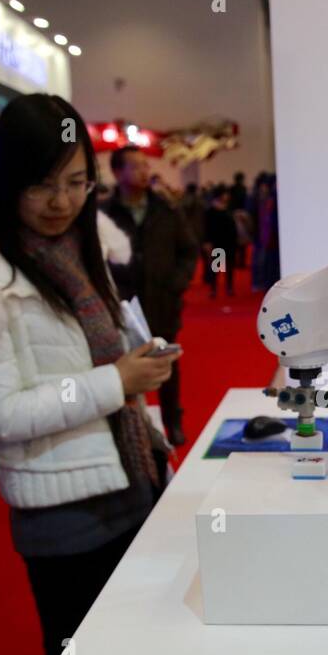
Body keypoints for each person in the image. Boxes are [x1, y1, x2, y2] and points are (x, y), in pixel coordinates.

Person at [0, 94, 177, 655]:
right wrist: (117, 380)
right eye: (41, 185)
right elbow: (3, 413)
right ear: (6, 181)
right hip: (65, 514)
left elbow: (82, 354)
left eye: (78, 182)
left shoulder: (84, 244)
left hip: (133, 475)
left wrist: (136, 360)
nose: (62, 202)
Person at [103, 145, 197, 446]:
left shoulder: (166, 209)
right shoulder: (104, 214)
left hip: (162, 301)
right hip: (123, 305)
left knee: (168, 365)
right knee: (126, 366)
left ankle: (173, 422)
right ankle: (134, 431)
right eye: (136, 166)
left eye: (146, 165)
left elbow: (188, 249)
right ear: (118, 172)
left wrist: (176, 283)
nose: (145, 171)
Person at [203, 186, 238, 298]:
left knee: (230, 267)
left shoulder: (229, 208)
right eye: (225, 194)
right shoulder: (211, 211)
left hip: (230, 242)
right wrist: (207, 241)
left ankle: (229, 287)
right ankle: (213, 289)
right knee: (216, 268)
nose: (227, 196)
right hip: (217, 243)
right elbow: (207, 228)